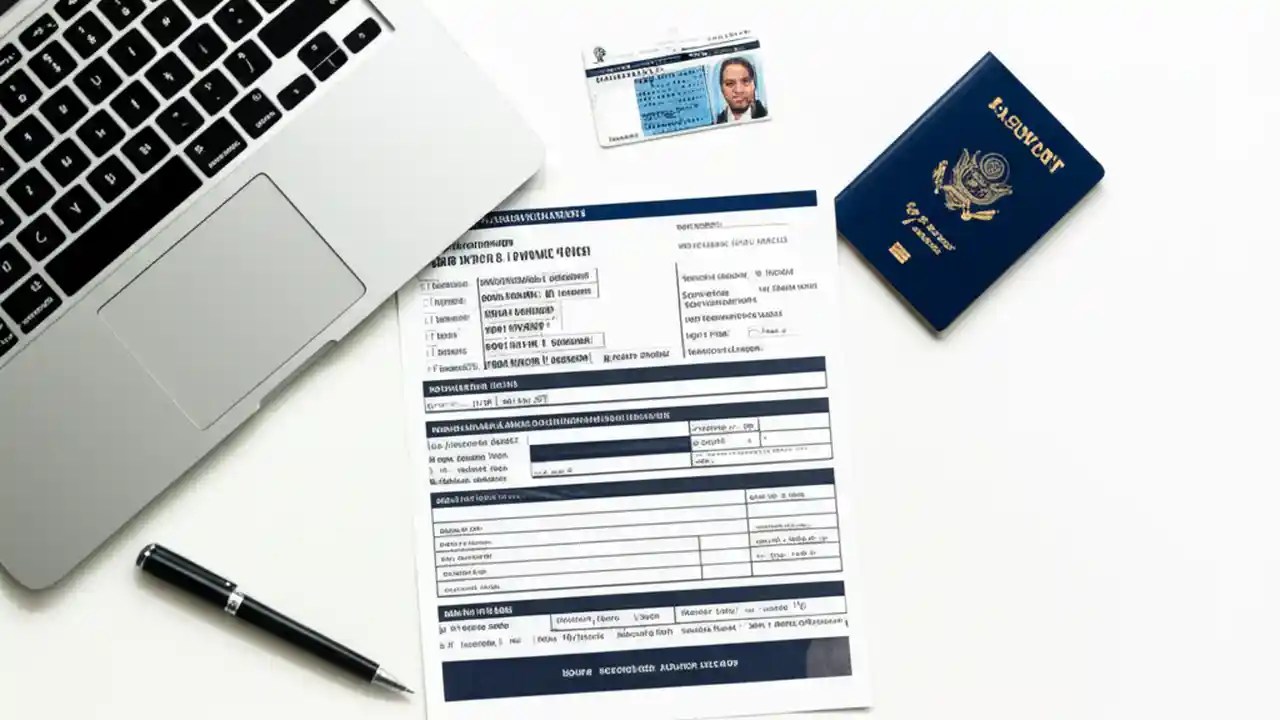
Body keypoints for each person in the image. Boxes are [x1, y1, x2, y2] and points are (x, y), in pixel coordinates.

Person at [714, 57, 768, 124]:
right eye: (730, 83)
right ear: (721, 88)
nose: (738, 90)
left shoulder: (768, 116)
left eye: (745, 81)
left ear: (754, 84)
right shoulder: (715, 123)